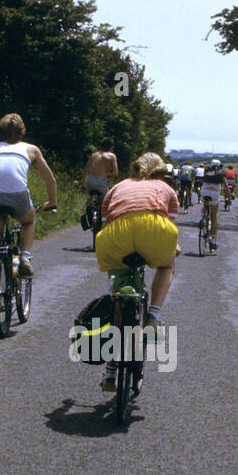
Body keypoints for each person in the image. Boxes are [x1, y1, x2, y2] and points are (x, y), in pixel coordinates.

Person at [93, 152, 181, 392]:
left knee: (118, 295)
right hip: (152, 230)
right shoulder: (165, 189)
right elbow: (168, 225)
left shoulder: (118, 186)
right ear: (160, 172)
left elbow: (104, 222)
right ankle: (153, 315)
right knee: (166, 265)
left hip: (116, 236)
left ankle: (110, 372)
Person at [0, 113, 57, 277]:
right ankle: (24, 258)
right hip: (18, 196)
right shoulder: (31, 149)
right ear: (22, 131)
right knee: (28, 221)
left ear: (1, 131)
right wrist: (52, 202)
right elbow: (50, 180)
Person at [81, 138, 119, 223]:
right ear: (111, 147)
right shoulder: (112, 156)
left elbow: (85, 170)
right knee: (105, 204)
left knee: (91, 198)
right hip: (101, 182)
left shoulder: (94, 155)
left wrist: (83, 183)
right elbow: (116, 173)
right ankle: (103, 221)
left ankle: (89, 211)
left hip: (90, 180)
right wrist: (107, 174)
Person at [200, 158, 226, 250]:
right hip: (214, 194)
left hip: (204, 192)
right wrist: (229, 198)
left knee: (205, 205)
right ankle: (213, 241)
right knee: (213, 217)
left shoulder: (207, 172)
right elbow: (226, 188)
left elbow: (202, 181)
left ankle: (202, 217)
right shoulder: (221, 174)